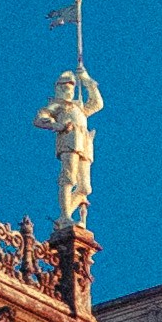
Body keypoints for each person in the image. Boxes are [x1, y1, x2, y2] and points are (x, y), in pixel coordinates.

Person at [38, 65, 103, 226]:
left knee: (85, 188)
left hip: (84, 144)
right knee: (68, 178)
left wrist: (86, 79)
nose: (70, 88)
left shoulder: (78, 107)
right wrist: (57, 125)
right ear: (59, 87)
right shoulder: (58, 105)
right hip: (69, 141)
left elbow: (97, 103)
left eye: (72, 85)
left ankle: (64, 216)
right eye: (66, 85)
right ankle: (65, 216)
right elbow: (39, 118)